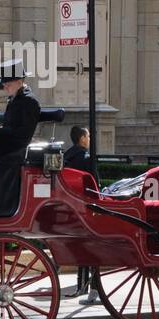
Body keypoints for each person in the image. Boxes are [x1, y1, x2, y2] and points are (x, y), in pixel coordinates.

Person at [63, 126, 98, 303]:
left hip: (69, 209)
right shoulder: (86, 158)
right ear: (83, 138)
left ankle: (81, 285)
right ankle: (94, 288)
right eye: (88, 135)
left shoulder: (66, 157)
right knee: (94, 248)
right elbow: (95, 186)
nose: (90, 138)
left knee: (81, 247)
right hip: (87, 209)